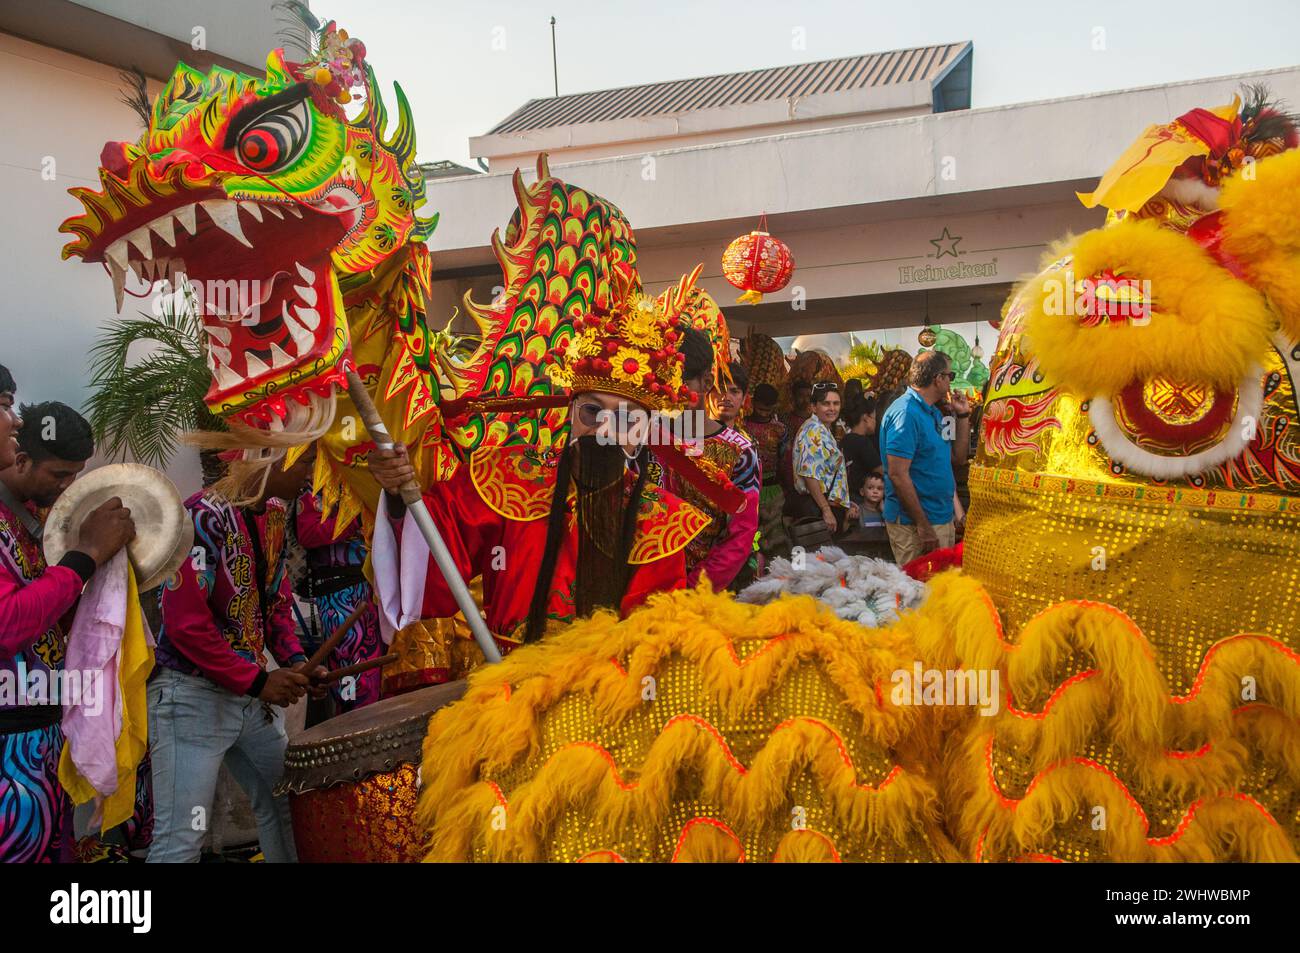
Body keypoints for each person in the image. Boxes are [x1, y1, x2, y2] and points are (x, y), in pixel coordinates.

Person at [369, 283, 729, 649]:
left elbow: (655, 642)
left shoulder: (658, 524)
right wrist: (401, 495)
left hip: (604, 693)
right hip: (506, 685)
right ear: (571, 412)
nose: (603, 430)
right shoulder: (509, 478)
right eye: (592, 411)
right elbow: (440, 547)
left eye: (625, 421)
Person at [148, 450, 324, 863]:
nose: (311, 473)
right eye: (304, 461)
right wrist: (260, 682)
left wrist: (296, 661)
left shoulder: (276, 514)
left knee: (287, 807)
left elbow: (275, 602)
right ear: (266, 458)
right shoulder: (199, 517)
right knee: (182, 839)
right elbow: (186, 624)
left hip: (249, 698)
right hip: (192, 698)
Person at [0, 385, 134, 862]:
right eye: (59, 474)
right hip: (8, 742)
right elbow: (8, 624)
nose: (66, 486)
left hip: (47, 732)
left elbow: (60, 616)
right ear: (20, 461)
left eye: (75, 476)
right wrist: (86, 557)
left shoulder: (41, 522)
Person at [660, 351, 760, 591]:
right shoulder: (643, 440)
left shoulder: (740, 450)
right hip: (643, 584)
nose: (671, 392)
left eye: (681, 382)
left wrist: (695, 588)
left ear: (705, 382)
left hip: (701, 589)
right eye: (664, 383)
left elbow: (740, 533)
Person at [293, 483, 383, 712]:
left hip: (371, 588)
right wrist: (358, 519)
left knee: (375, 666)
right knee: (350, 664)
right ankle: (354, 725)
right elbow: (308, 532)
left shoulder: (361, 481)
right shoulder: (316, 486)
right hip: (339, 595)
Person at [879, 351, 971, 565]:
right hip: (916, 525)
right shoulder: (906, 414)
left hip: (940, 516)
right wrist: (923, 525)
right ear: (938, 378)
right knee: (918, 592)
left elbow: (957, 458)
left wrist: (963, 415)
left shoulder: (934, 413)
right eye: (950, 375)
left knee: (940, 589)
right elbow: (897, 474)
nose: (951, 381)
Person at [788, 382, 858, 535]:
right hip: (817, 507)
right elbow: (809, 475)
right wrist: (826, 510)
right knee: (818, 556)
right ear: (813, 407)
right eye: (826, 404)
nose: (832, 408)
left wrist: (844, 501)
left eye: (836, 403)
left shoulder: (822, 428)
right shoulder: (813, 431)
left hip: (826, 504)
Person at [742, 383, 788, 557]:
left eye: (768, 410)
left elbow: (783, 459)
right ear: (753, 403)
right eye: (760, 409)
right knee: (750, 533)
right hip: (747, 487)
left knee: (774, 534)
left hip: (773, 489)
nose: (763, 413)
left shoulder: (780, 430)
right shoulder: (742, 426)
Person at [841, 395, 882, 498]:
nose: (875, 422)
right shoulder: (863, 442)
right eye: (874, 417)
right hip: (860, 499)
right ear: (865, 418)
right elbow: (880, 471)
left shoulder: (845, 439)